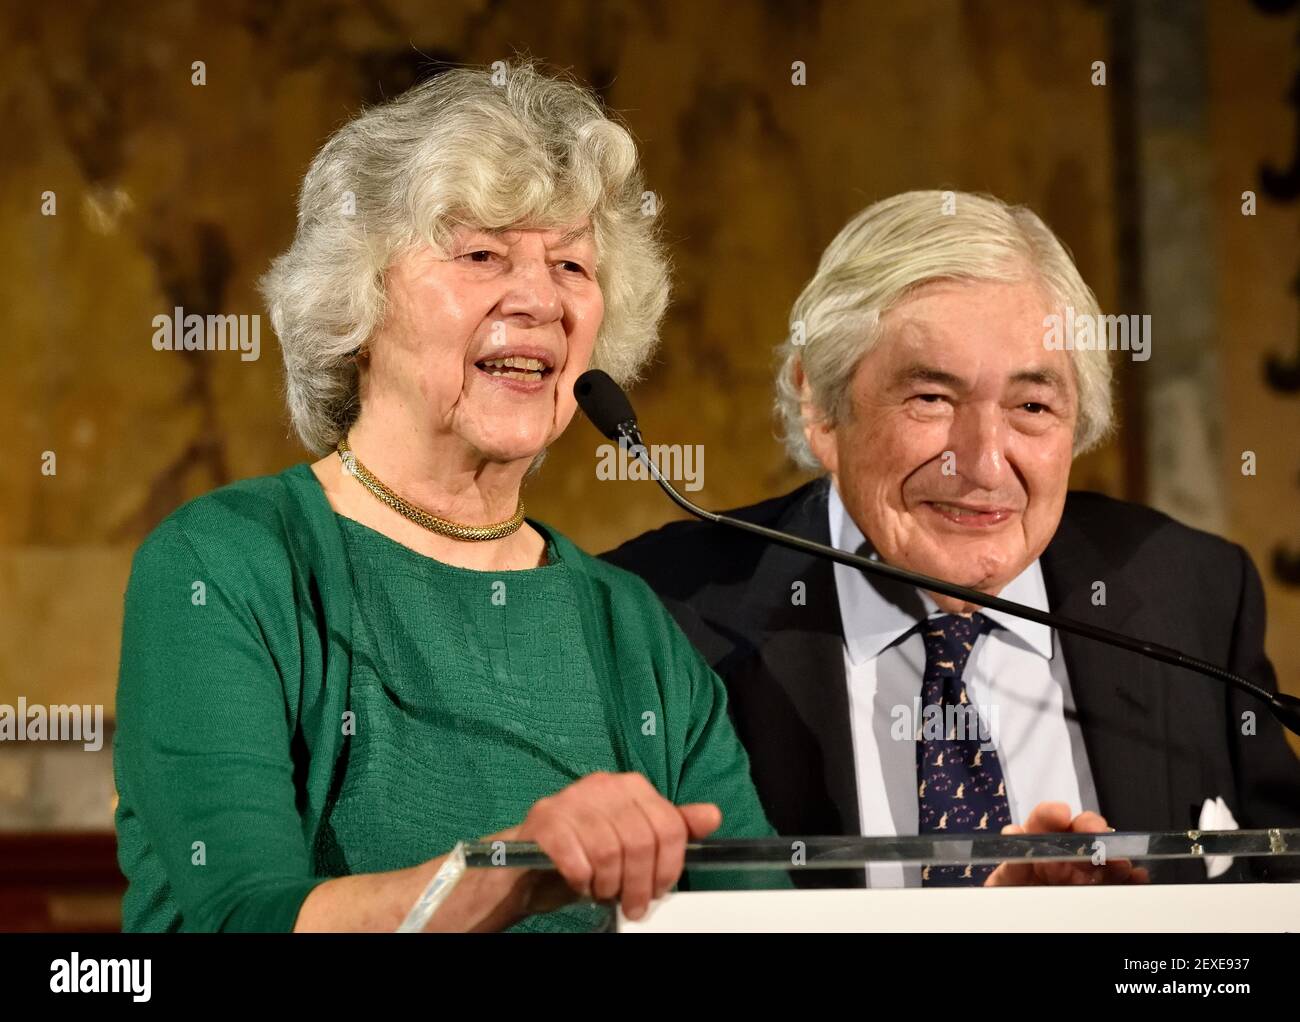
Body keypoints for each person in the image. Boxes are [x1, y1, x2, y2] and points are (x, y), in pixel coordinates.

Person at [113, 63, 779, 933]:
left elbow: (757, 922)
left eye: (573, 264)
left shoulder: (630, 626)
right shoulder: (227, 564)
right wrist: (503, 877)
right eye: (482, 255)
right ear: (357, 298)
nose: (542, 299)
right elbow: (239, 917)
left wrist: (988, 920)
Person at [606, 190, 1300, 888]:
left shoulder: (1192, 591)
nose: (983, 463)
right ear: (819, 402)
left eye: (1032, 406)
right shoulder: (660, 615)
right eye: (931, 398)